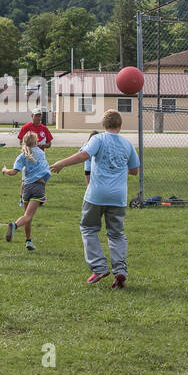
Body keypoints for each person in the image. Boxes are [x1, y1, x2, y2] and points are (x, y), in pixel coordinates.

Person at [49, 109, 139, 288]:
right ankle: (120, 271)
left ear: (103, 125)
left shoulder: (98, 139)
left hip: (96, 195)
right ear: (120, 126)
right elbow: (134, 170)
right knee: (116, 234)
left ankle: (99, 267)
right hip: (118, 197)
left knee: (88, 228)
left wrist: (61, 163)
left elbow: (84, 155)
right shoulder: (128, 144)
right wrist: (117, 167)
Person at [1, 130, 51, 250]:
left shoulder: (22, 155)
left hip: (26, 188)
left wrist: (5, 170)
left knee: (27, 216)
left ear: (23, 142)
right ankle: (14, 225)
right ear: (36, 141)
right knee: (28, 216)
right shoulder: (41, 153)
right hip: (38, 187)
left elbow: (14, 172)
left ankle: (28, 241)